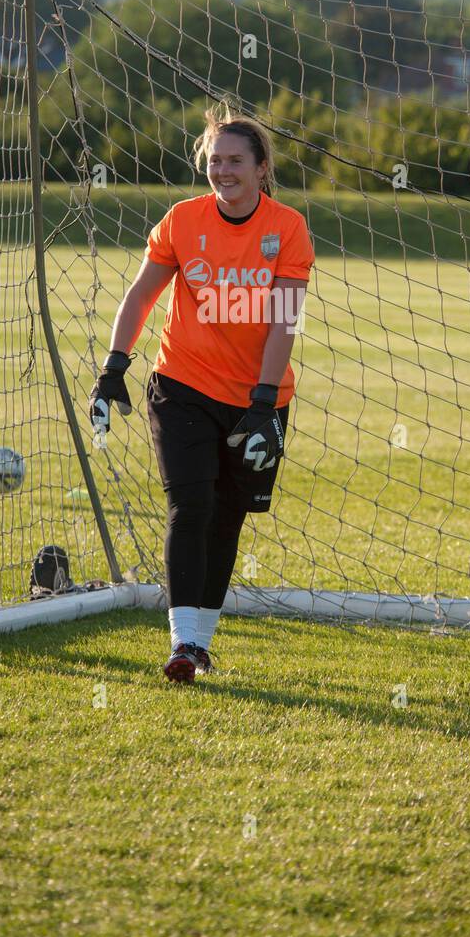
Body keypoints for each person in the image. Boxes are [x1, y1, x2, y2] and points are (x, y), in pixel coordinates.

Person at [89, 100, 315, 683]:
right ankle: (183, 643)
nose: (224, 171)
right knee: (191, 506)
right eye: (215, 160)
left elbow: (284, 320)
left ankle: (202, 643)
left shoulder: (286, 228)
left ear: (262, 167)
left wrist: (264, 403)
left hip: (258, 398)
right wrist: (115, 366)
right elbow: (141, 295)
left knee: (227, 518)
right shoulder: (182, 220)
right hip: (182, 385)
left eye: (236, 160)